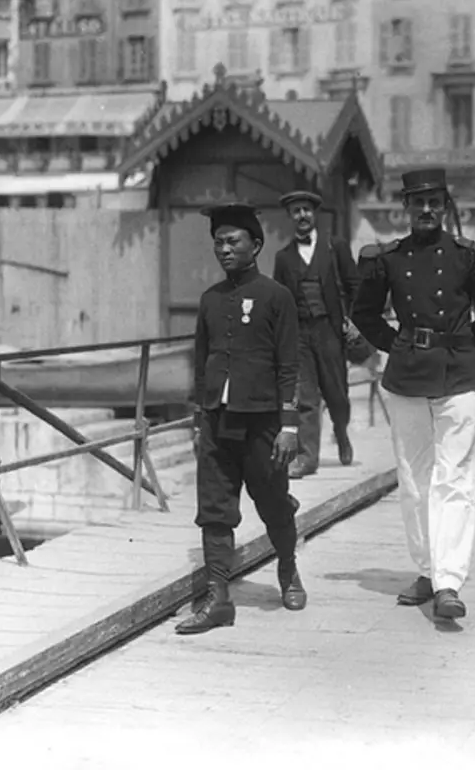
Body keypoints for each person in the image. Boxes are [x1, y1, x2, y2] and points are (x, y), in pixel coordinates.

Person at [350, 167, 475, 621]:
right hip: (407, 376)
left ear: (445, 207)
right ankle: (426, 569)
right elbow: (364, 313)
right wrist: (398, 345)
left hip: (459, 378)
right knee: (414, 478)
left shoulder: (467, 256)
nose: (426, 210)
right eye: (417, 203)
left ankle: (449, 582)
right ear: (405, 207)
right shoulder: (389, 259)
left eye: (434, 203)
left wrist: (459, 345)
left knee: (455, 478)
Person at [175, 203, 306, 636]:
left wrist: (289, 426)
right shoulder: (211, 299)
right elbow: (200, 362)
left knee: (272, 502)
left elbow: (290, 364)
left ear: (256, 245)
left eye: (233, 241)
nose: (224, 249)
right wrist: (198, 419)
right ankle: (219, 599)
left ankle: (287, 567)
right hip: (216, 420)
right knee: (214, 508)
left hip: (263, 423)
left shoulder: (276, 297)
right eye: (218, 242)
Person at [271, 189, 360, 479]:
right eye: (295, 211)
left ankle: (341, 431)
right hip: (300, 335)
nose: (302, 216)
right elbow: (279, 301)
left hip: (329, 329)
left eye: (306, 210)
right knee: (305, 397)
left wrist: (354, 321)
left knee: (337, 394)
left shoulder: (336, 248)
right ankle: (307, 458)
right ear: (289, 217)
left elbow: (355, 286)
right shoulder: (283, 258)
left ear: (315, 214)